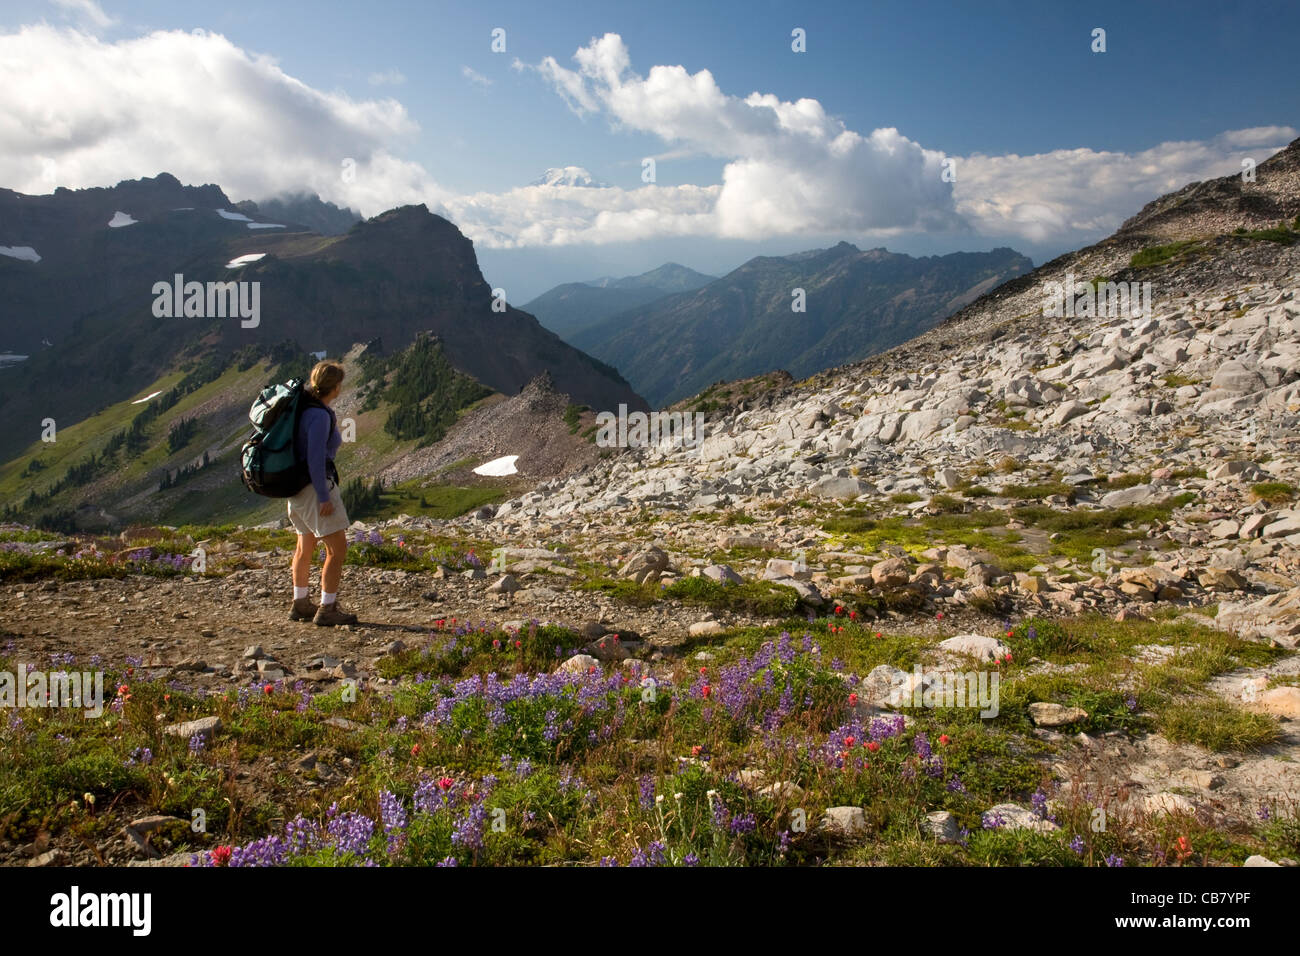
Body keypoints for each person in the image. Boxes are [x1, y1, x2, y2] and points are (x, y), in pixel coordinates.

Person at [286, 360, 358, 626]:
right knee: (337, 550)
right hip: (314, 490)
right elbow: (315, 458)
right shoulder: (319, 416)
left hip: (295, 491)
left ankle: (301, 603)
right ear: (336, 387)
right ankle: (327, 609)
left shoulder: (303, 410)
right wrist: (324, 496)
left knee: (304, 547)